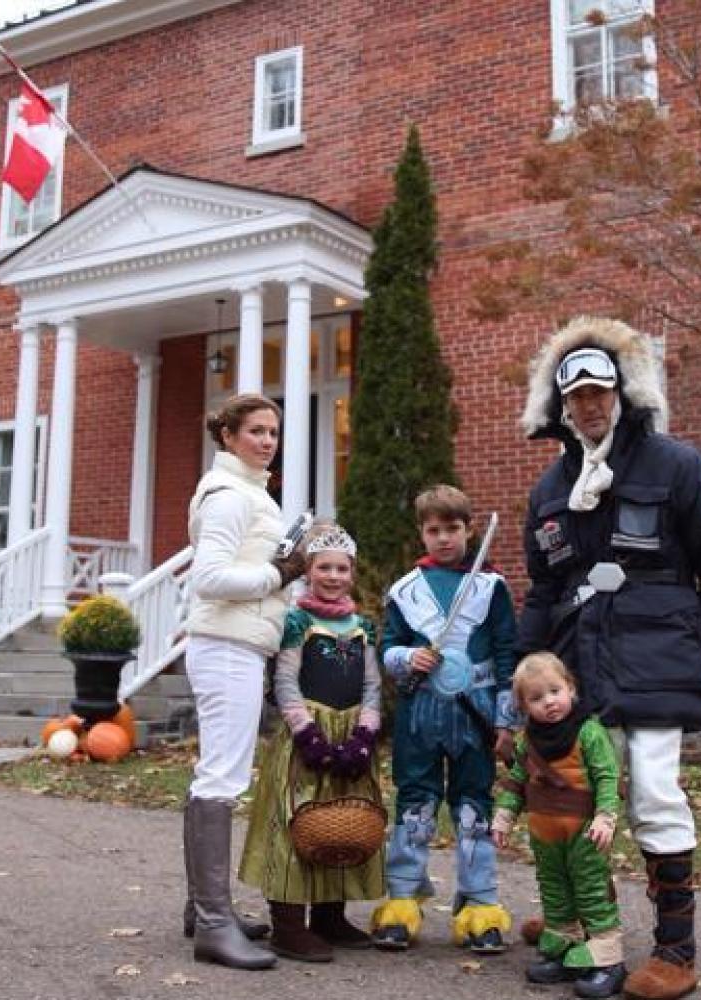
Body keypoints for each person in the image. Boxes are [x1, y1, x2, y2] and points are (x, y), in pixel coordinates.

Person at [517, 317, 701, 1000]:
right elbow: (544, 588)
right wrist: (524, 668)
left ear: (622, 391)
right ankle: (577, 923)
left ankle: (676, 950)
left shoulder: (678, 465)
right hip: (577, 657)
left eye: (599, 391)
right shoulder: (549, 489)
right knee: (566, 792)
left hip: (661, 650)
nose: (589, 405)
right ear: (561, 405)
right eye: (576, 396)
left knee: (652, 792)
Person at [179, 392, 306, 971]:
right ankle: (212, 923)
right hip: (226, 645)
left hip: (237, 643)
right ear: (227, 436)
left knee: (216, 771)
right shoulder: (230, 494)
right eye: (255, 430)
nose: (267, 441)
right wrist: (277, 573)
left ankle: (203, 910)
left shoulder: (250, 492)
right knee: (221, 776)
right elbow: (209, 577)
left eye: (273, 432)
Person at [371, 485, 519, 953]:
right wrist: (407, 657)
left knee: (473, 805)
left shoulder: (491, 587)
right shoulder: (406, 589)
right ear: (422, 532)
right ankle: (402, 899)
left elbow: (506, 653)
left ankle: (480, 903)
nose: (443, 538)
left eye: (452, 528)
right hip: (421, 712)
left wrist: (505, 721)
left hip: (475, 711)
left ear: (469, 530)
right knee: (414, 802)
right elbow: (388, 646)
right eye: (434, 529)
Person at [238, 521, 386, 961]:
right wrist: (307, 733)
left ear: (352, 573)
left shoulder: (363, 626)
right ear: (309, 571)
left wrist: (365, 734)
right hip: (308, 737)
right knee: (296, 821)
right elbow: (285, 680)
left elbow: (373, 684)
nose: (333, 576)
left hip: (351, 734)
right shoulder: (298, 621)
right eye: (324, 567)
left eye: (342, 568)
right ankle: (288, 924)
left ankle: (329, 915)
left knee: (343, 821)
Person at [492, 653, 626, 999]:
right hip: (545, 834)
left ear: (570, 688)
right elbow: (516, 781)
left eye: (555, 691)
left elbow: (607, 777)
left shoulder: (589, 732)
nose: (549, 702)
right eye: (536, 697)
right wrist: (504, 816)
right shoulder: (527, 740)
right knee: (554, 890)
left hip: (585, 832)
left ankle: (608, 958)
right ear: (523, 706)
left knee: (591, 889)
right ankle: (565, 942)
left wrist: (605, 816)